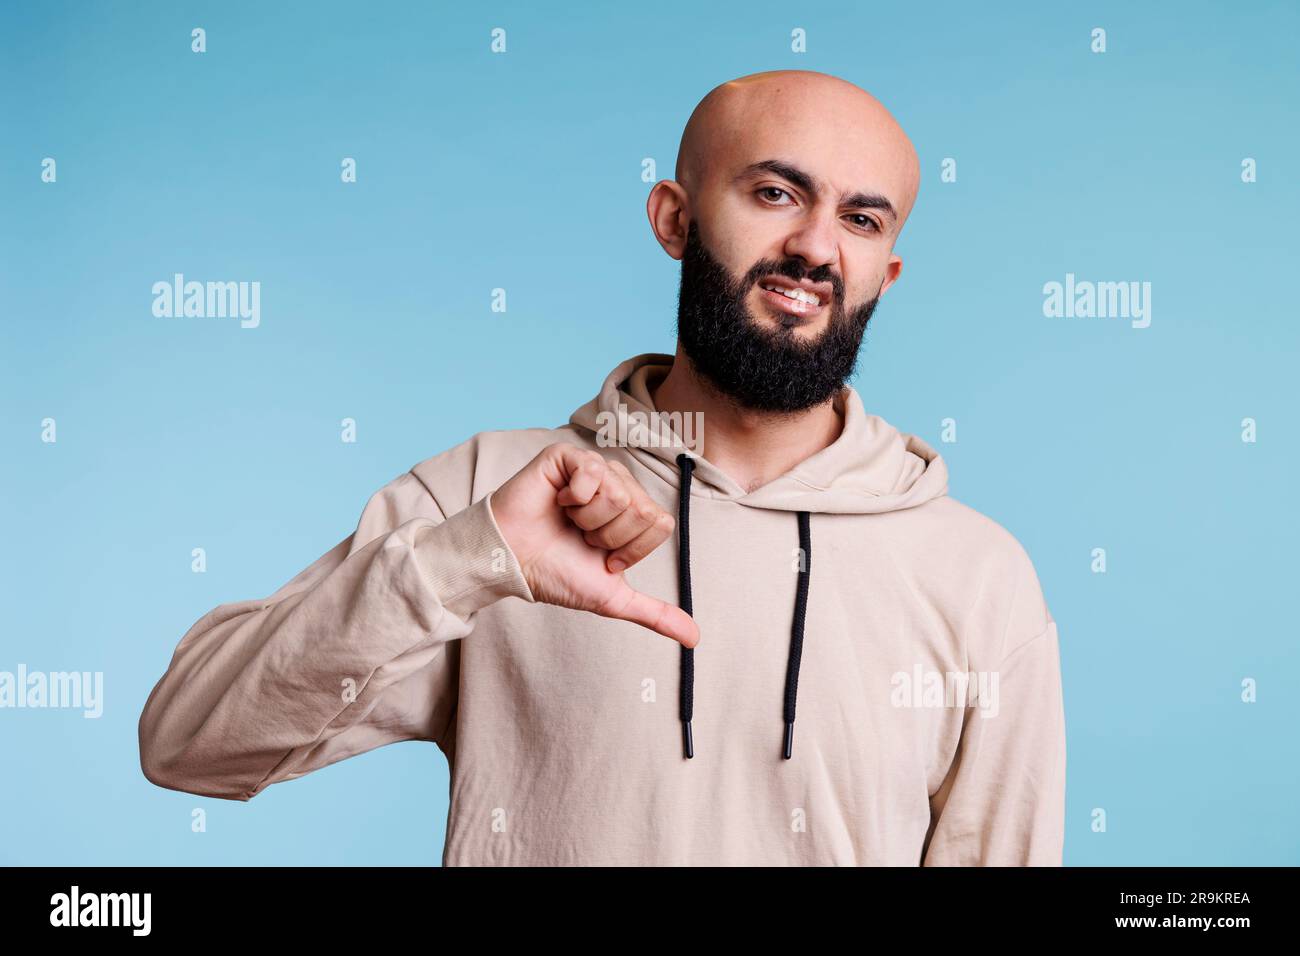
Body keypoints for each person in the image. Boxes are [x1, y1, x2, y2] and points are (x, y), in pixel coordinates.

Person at [138, 69, 1066, 866]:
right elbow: (187, 745)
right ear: (674, 217)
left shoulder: (977, 576)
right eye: (776, 193)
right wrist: (469, 560)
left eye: (861, 219)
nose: (817, 248)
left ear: (885, 273)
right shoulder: (486, 494)